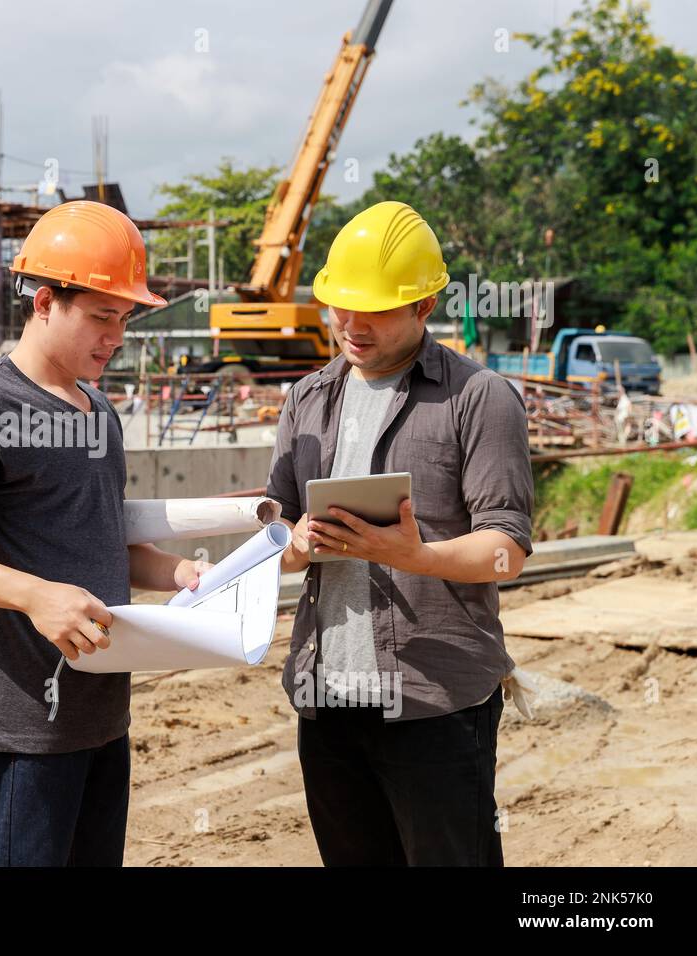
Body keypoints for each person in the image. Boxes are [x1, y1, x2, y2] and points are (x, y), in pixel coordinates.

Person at [0, 200, 203, 867]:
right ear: (43, 303)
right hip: (28, 718)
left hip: (100, 709)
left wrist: (180, 574)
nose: (114, 337)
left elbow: (99, 536)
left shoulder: (98, 411)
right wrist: (37, 597)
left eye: (123, 319)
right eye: (99, 316)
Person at [267, 200, 534, 866]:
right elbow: (272, 543)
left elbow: (507, 549)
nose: (351, 325)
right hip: (329, 701)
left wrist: (417, 555)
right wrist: (293, 546)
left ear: (425, 306)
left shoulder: (479, 399)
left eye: (375, 309)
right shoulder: (307, 399)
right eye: (340, 306)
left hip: (435, 702)